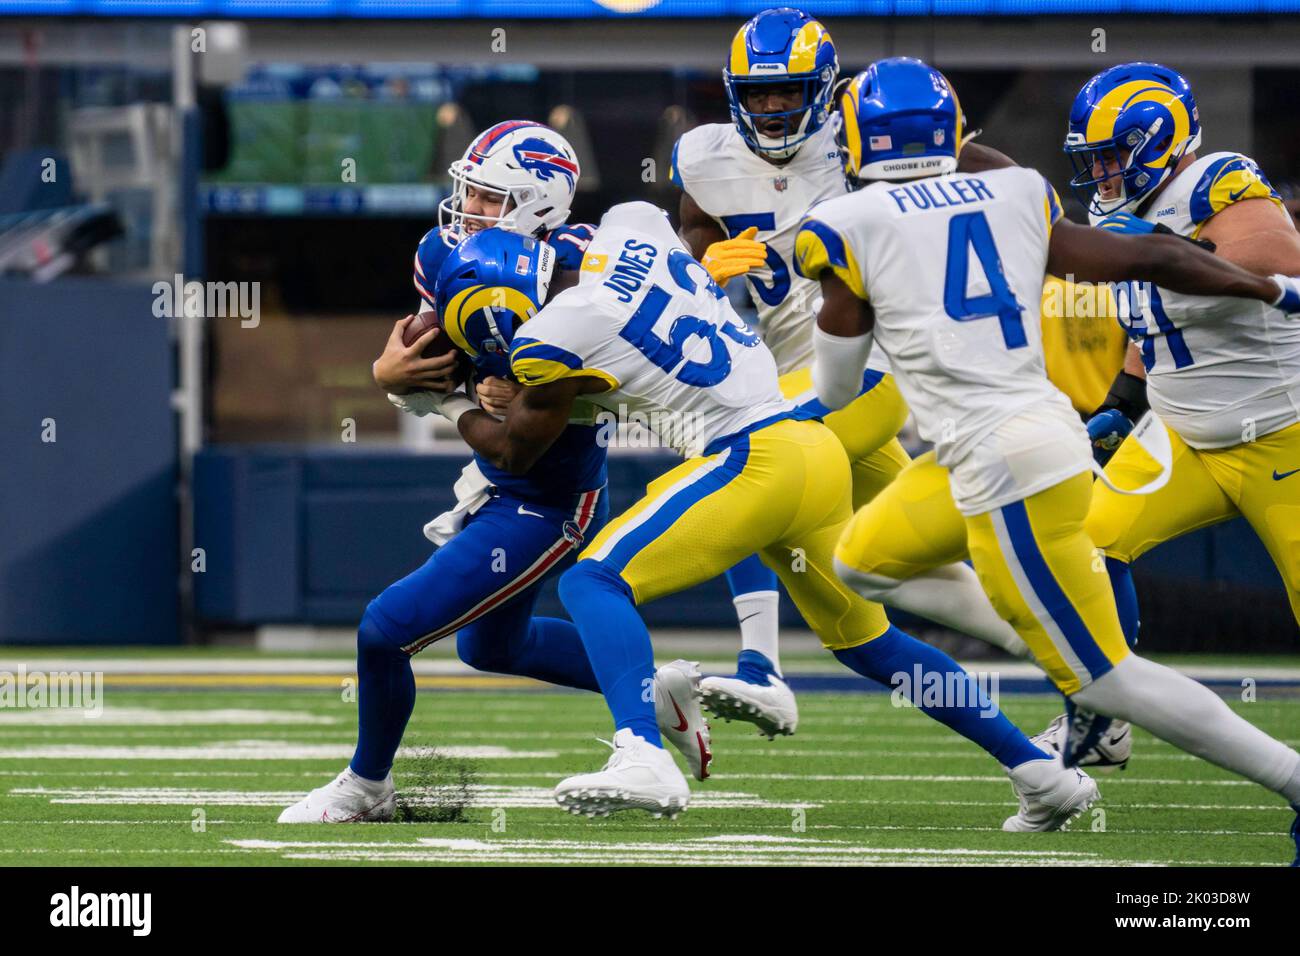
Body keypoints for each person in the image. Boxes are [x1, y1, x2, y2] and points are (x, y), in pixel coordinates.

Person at [803, 56, 1300, 863]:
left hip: (1252, 437)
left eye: (1112, 153)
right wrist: (1123, 403)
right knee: (858, 562)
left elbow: (832, 384)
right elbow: (1151, 289)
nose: (1100, 171)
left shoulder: (1213, 181)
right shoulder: (1017, 193)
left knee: (1107, 672)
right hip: (1118, 434)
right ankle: (1074, 672)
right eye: (1092, 157)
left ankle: (1277, 771)